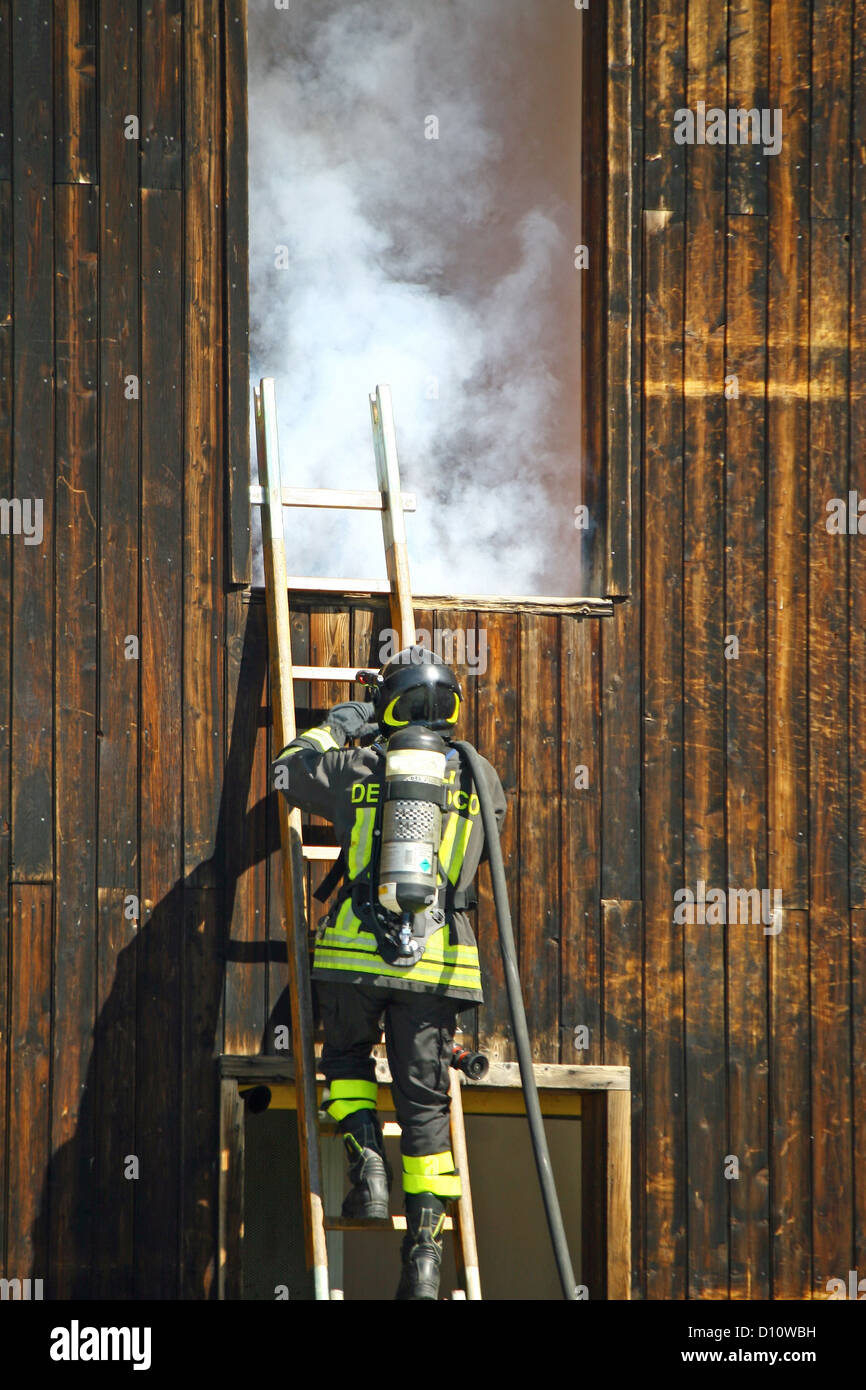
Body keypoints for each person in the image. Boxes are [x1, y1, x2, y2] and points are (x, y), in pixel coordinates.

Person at [272, 644, 507, 1300]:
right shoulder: (480, 776)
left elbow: (287, 772)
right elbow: (482, 851)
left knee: (345, 1061)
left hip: (351, 954)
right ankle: (425, 1261)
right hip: (439, 968)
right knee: (427, 1110)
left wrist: (343, 722)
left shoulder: (363, 762)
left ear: (390, 703)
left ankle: (367, 1171)